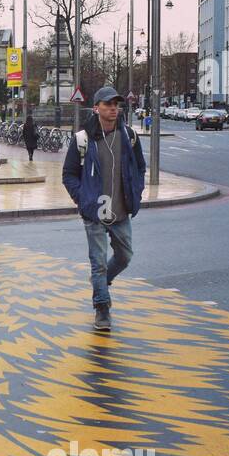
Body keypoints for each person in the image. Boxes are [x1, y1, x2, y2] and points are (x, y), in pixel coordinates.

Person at [61, 86, 147, 331]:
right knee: (97, 262)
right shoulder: (82, 139)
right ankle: (102, 307)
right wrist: (83, 199)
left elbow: (140, 167)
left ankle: (101, 281)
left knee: (125, 256)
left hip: (120, 209)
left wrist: (136, 192)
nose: (113, 109)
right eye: (108, 105)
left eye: (116, 105)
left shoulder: (129, 136)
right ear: (96, 108)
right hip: (94, 212)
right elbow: (69, 174)